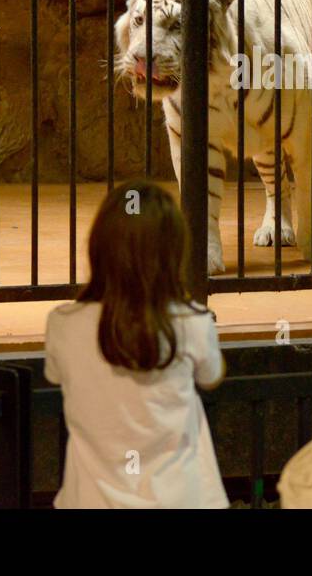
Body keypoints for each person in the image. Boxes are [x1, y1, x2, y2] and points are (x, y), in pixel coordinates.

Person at [44, 180, 228, 508]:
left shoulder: (64, 324)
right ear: (173, 254)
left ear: (98, 248)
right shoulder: (192, 321)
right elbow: (211, 375)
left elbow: (55, 375)